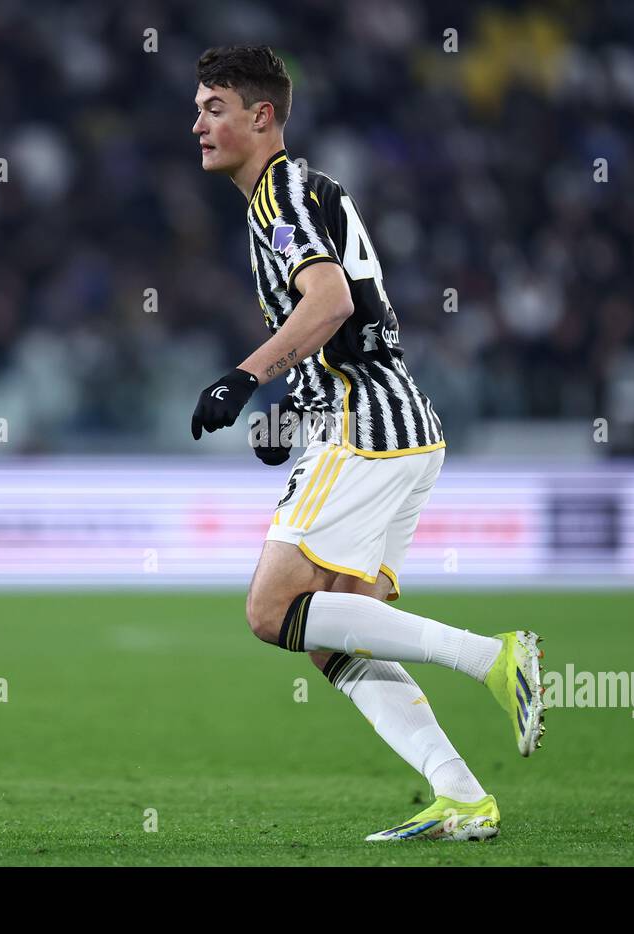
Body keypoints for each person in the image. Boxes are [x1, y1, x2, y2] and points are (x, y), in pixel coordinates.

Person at [189, 45, 544, 842]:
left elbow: (331, 301)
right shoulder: (290, 198)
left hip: (366, 424)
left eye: (214, 108)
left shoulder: (283, 192)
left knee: (269, 609)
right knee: (335, 631)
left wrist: (244, 377)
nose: (198, 125)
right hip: (389, 425)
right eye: (199, 109)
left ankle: (492, 657)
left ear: (262, 116)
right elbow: (336, 324)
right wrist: (287, 406)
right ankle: (461, 796)